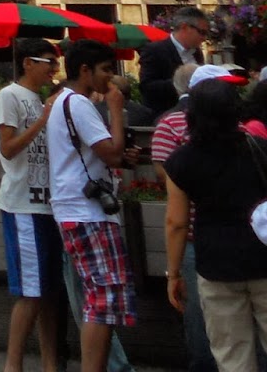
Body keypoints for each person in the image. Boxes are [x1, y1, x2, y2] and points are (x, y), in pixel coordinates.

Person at [163, 72, 265, 372]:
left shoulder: (182, 161)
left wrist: (173, 274)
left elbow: (176, 223)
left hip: (216, 265)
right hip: (263, 256)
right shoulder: (259, 147)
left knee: (232, 355)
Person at [48, 40, 140, 372]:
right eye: (105, 69)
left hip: (75, 208)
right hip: (87, 212)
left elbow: (104, 154)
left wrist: (120, 155)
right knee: (103, 298)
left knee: (99, 297)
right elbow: (111, 153)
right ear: (85, 70)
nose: (111, 78)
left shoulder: (63, 101)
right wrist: (116, 109)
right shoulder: (80, 103)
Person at [0, 39, 62, 372]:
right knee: (31, 291)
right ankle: (13, 364)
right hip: (24, 203)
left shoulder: (41, 99)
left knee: (48, 292)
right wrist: (42, 121)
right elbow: (8, 148)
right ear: (27, 63)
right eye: (48, 61)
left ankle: (51, 363)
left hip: (49, 203)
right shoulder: (10, 96)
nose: (54, 68)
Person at [153, 63, 228, 372]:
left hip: (215, 237)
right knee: (201, 321)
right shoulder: (171, 125)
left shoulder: (244, 131)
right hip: (201, 239)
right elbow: (168, 180)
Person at [141, 6, 210, 116]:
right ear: (184, 27)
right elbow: (147, 87)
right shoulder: (155, 50)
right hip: (165, 116)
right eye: (202, 32)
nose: (204, 38)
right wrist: (182, 81)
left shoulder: (197, 52)